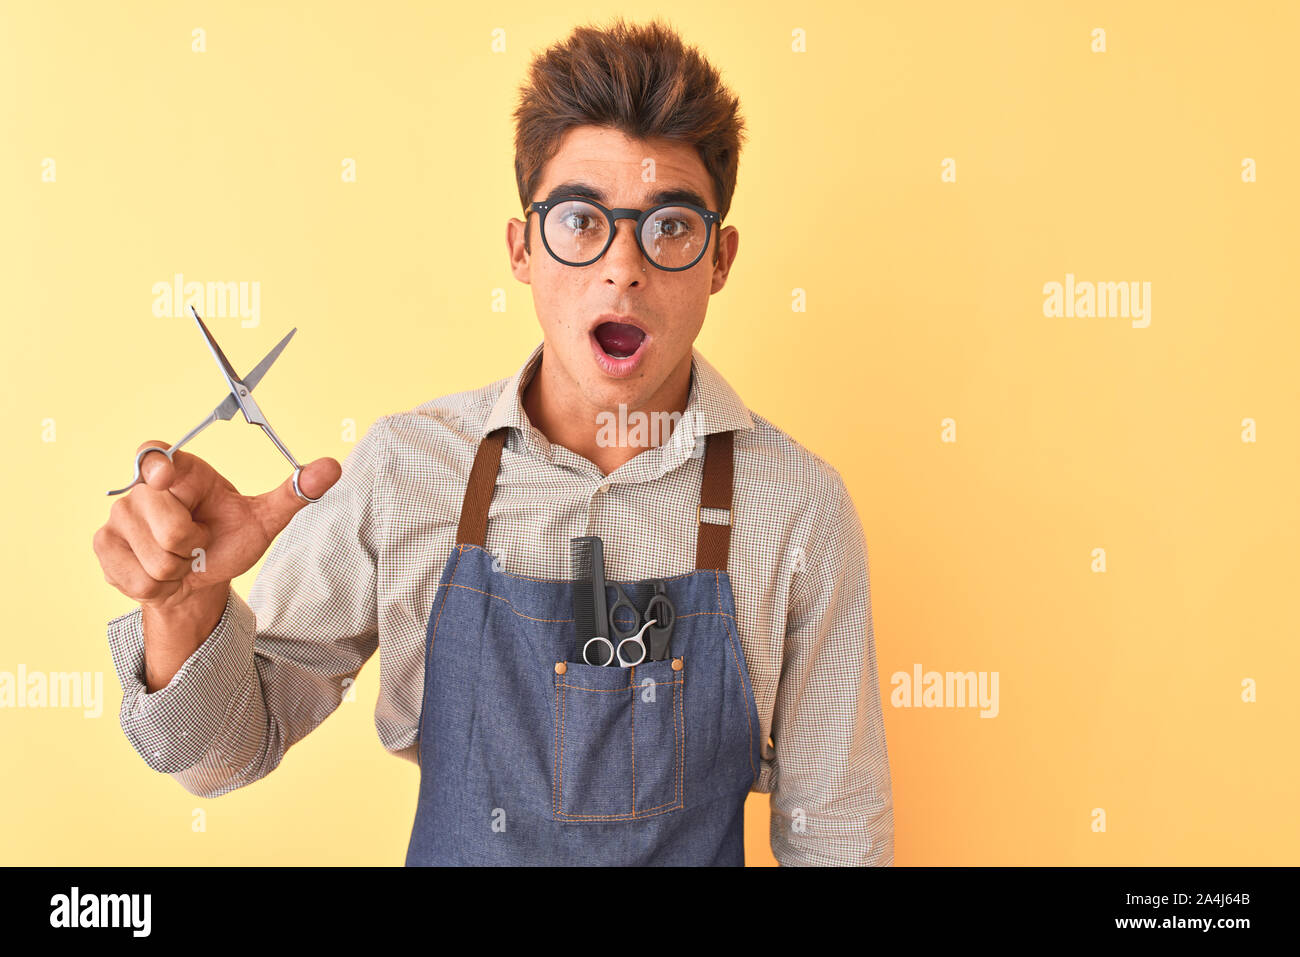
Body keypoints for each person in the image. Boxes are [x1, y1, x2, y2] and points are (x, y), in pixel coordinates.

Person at [92, 16, 893, 866]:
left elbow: (837, 838)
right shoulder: (409, 468)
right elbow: (223, 754)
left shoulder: (798, 510)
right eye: (580, 220)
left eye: (669, 226)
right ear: (522, 248)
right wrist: (182, 607)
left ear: (719, 259)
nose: (624, 267)